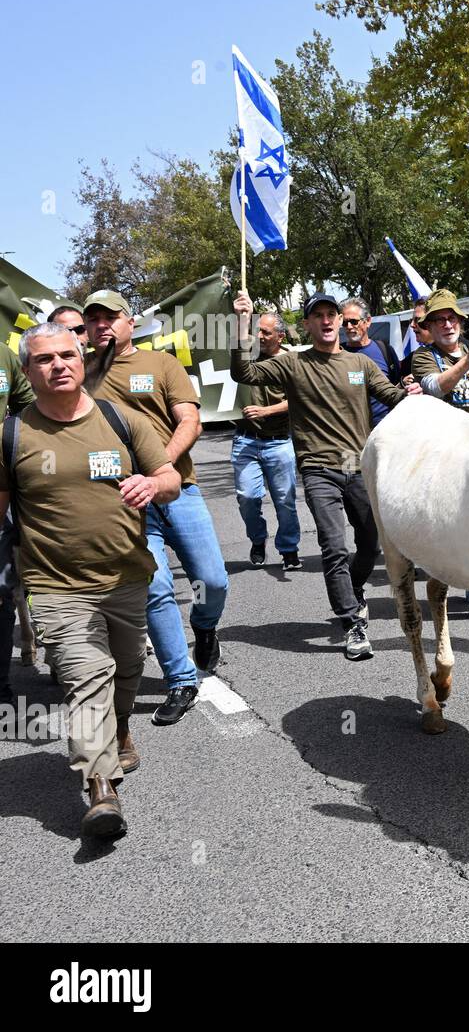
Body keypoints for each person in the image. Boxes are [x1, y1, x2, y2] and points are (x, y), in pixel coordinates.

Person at [0, 322, 180, 837]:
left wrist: (154, 483)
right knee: (86, 681)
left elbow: (167, 474)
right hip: (56, 587)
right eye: (43, 360)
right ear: (27, 371)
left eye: (66, 355)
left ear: (82, 360)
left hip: (125, 577)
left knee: (127, 669)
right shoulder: (12, 435)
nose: (57, 365)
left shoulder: (119, 420)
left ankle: (122, 729)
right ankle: (101, 787)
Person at [232, 290, 421, 659]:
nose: (327, 320)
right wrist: (242, 323)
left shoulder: (360, 364)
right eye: (317, 315)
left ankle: (351, 588)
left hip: (358, 466)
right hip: (319, 469)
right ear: (307, 324)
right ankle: (352, 622)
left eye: (331, 313)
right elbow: (245, 371)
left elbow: (390, 396)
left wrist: (414, 393)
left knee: (370, 544)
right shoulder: (295, 364)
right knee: (334, 546)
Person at [84, 289, 229, 726]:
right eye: (93, 319)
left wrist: (158, 467)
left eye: (111, 317)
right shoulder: (81, 374)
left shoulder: (161, 363)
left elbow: (190, 419)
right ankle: (180, 679)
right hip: (123, 503)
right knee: (156, 588)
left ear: (130, 323)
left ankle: (204, 627)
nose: (102, 325)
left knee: (212, 580)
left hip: (177, 489)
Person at [411, 289, 469, 624]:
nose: (447, 325)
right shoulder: (424, 357)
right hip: (445, 452)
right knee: (460, 523)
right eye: (439, 320)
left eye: (452, 318)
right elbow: (437, 387)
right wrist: (468, 361)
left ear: (461, 323)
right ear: (430, 327)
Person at [232, 310, 302, 570]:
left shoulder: (291, 362)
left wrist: (267, 411)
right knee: (247, 498)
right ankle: (257, 539)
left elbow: (300, 400)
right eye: (256, 330)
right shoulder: (245, 357)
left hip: (280, 442)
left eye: (266, 332)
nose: (258, 336)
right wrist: (241, 314)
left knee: (284, 499)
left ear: (280, 336)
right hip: (245, 441)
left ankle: (289, 548)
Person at [0, 337, 36, 708]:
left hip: (5, 479)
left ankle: (35, 637)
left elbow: (27, 402)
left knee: (15, 573)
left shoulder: (4, 354)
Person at [341, 298, 402, 428]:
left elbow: (395, 385)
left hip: (385, 429)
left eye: (353, 321)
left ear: (368, 321)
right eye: (344, 323)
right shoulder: (338, 354)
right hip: (352, 434)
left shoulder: (385, 350)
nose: (349, 327)